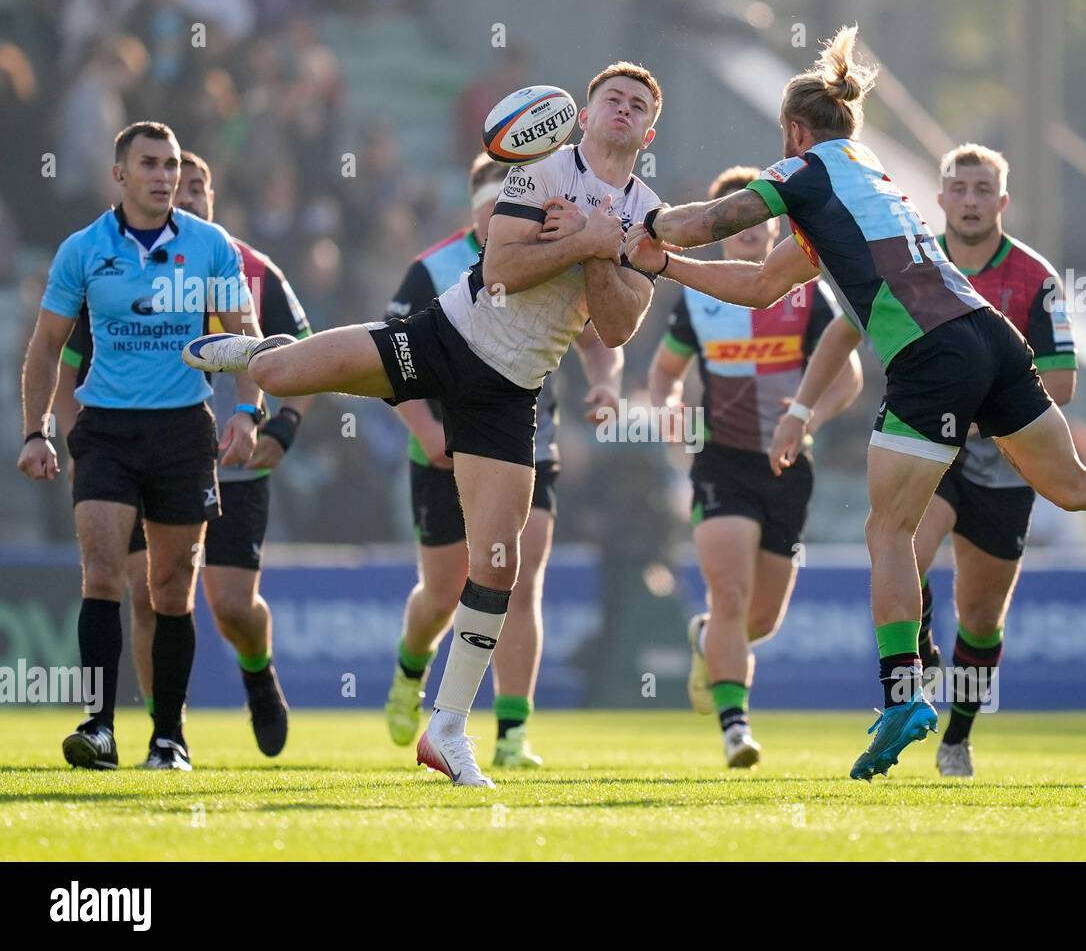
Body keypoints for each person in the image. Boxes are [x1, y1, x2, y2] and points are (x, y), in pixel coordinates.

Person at [626, 26, 1086, 781]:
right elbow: (757, 283)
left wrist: (633, 231)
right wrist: (667, 266)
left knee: (888, 528)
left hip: (930, 354)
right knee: (1070, 485)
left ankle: (903, 693)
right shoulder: (865, 179)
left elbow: (714, 221)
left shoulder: (804, 170)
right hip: (990, 337)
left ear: (795, 131)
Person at [183, 63, 666, 787]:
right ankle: (256, 350)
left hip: (510, 394)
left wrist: (600, 241)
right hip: (444, 341)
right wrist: (586, 240)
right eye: (612, 99)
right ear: (585, 114)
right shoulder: (537, 171)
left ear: (648, 130)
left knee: (497, 566)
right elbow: (500, 269)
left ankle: (447, 730)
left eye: (638, 105)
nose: (623, 110)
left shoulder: (646, 210)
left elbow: (622, 324)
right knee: (280, 377)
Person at [18, 122, 263, 771]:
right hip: (106, 431)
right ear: (119, 174)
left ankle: (168, 737)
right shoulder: (83, 250)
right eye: (150, 164)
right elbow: (46, 347)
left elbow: (245, 334)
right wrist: (37, 429)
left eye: (173, 165)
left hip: (185, 430)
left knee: (170, 589)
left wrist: (247, 412)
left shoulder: (211, 247)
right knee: (101, 576)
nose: (164, 176)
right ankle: (98, 727)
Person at [57, 150, 316, 757]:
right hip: (155, 446)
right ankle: (162, 735)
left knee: (231, 605)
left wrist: (281, 428)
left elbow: (303, 359)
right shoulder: (126, 267)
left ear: (213, 198)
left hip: (238, 462)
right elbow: (71, 360)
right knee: (148, 592)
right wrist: (72, 437)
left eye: (199, 187)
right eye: (182, 187)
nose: (188, 197)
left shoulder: (253, 270)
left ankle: (257, 671)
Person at [382, 152, 622, 768]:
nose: (503, 210)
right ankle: (412, 669)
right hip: (440, 451)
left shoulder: (554, 249)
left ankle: (512, 733)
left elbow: (599, 337)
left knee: (518, 582)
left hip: (526, 441)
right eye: (492, 200)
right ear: (474, 205)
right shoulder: (430, 267)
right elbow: (391, 362)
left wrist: (606, 383)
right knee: (441, 592)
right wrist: (428, 431)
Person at [648, 164, 862, 767]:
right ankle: (735, 727)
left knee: (757, 621)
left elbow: (847, 376)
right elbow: (665, 371)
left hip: (788, 466)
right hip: (721, 463)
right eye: (734, 220)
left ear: (774, 229)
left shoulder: (804, 293)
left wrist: (808, 419)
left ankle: (705, 638)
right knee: (732, 592)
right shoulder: (698, 297)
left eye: (757, 218)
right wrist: (667, 408)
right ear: (717, 233)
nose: (747, 230)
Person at [907, 143, 1079, 778]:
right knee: (905, 548)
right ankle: (921, 661)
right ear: (943, 197)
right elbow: (861, 331)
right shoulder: (915, 266)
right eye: (961, 189)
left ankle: (957, 737)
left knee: (981, 619)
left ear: (1002, 202)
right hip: (931, 450)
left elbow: (1060, 385)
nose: (972, 201)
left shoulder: (1036, 278)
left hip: (1005, 463)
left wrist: (981, 416)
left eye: (985, 191)